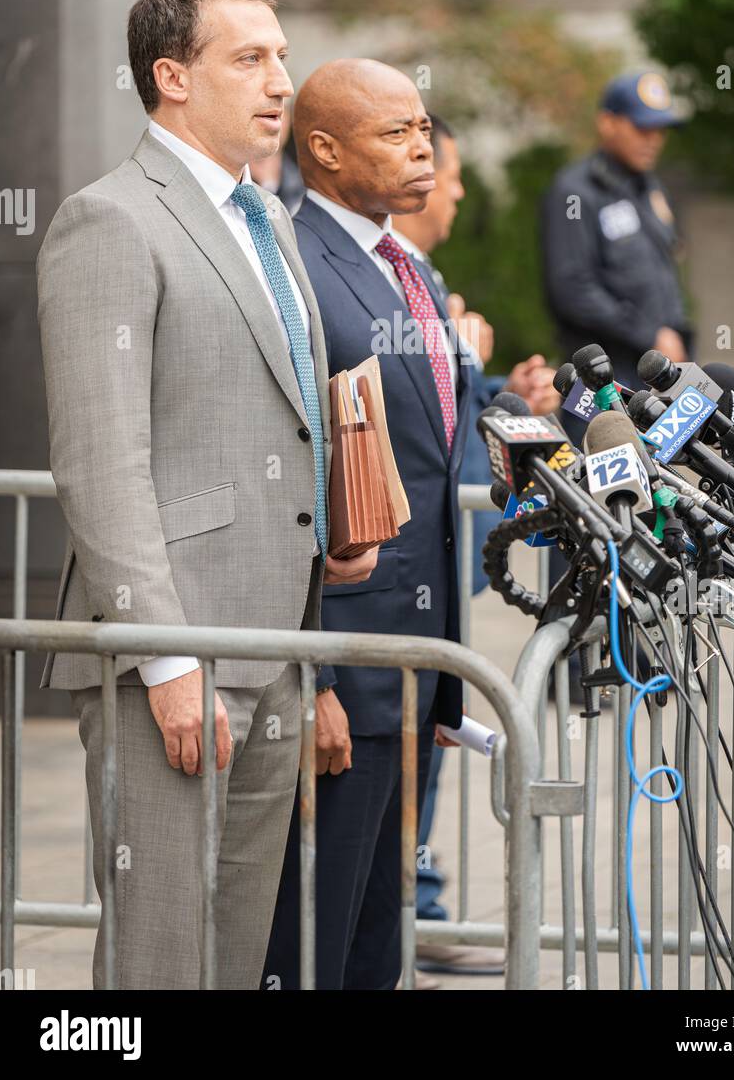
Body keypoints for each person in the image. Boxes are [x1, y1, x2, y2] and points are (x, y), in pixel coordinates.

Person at [36, 0, 376, 990]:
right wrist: (167, 661)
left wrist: (313, 626)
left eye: (281, 55)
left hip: (272, 647)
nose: (280, 80)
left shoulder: (265, 218)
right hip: (172, 658)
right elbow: (101, 460)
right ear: (172, 76)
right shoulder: (110, 220)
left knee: (231, 954)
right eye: (249, 59)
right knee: (158, 956)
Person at [262, 61, 471, 992]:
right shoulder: (297, 262)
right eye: (395, 133)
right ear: (323, 150)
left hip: (417, 665)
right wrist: (316, 680)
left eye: (422, 127)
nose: (421, 147)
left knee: (380, 952)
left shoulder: (405, 264)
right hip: (348, 668)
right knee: (315, 942)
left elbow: (424, 447)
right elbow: (291, 485)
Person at [394, 113, 556, 977]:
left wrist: (501, 386)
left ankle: (413, 913)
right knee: (407, 744)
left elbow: (451, 400)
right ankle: (402, 917)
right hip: (403, 567)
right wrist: (461, 355)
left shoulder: (421, 274)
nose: (452, 187)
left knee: (430, 737)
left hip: (443, 563)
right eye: (442, 171)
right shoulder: (379, 273)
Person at [541, 71, 693, 391]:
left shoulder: (647, 187)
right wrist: (651, 334)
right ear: (607, 123)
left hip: (658, 378)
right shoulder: (575, 192)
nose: (653, 140)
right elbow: (572, 289)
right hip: (603, 387)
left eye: (660, 131)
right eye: (641, 128)